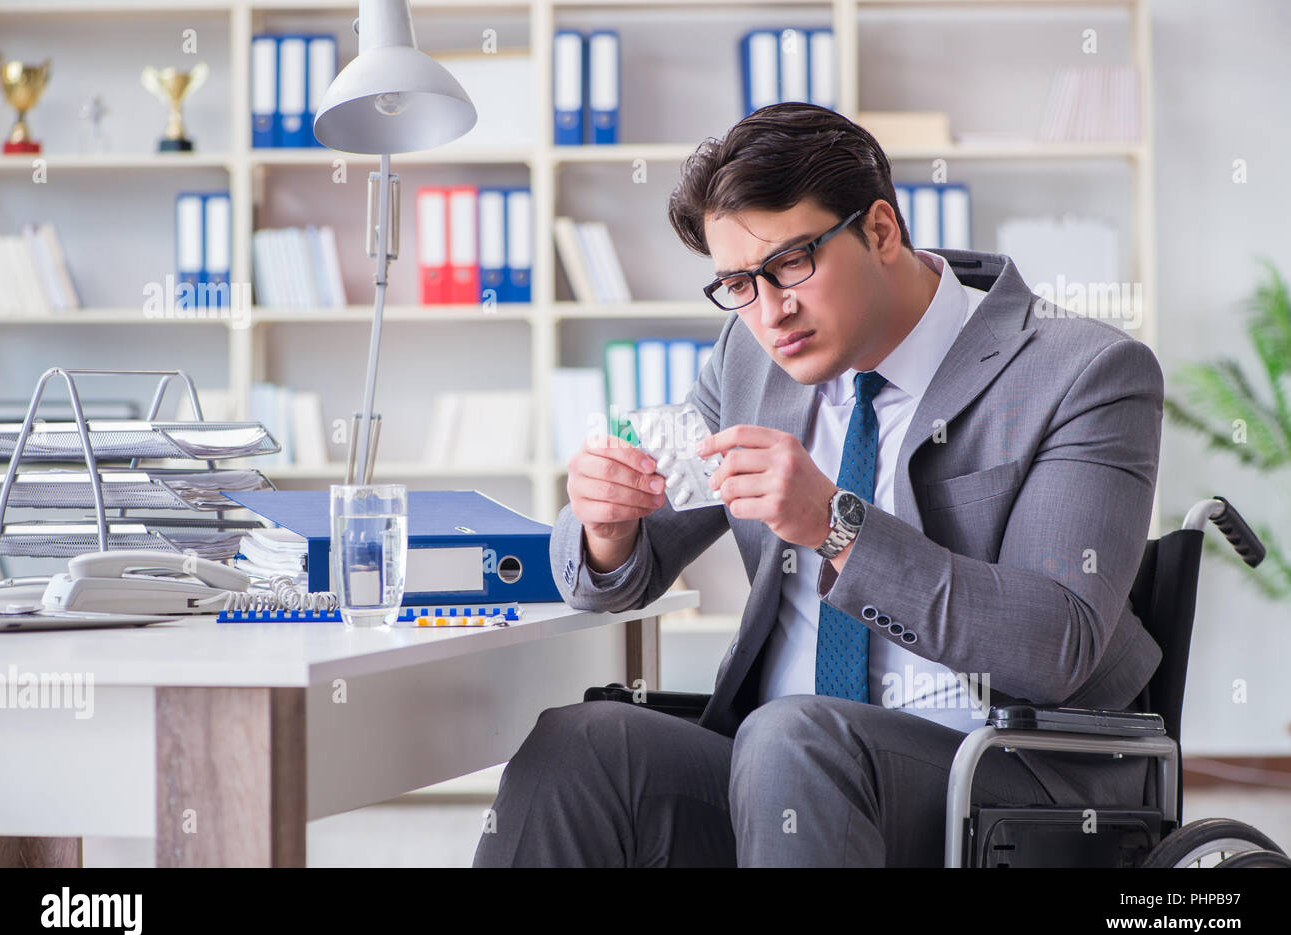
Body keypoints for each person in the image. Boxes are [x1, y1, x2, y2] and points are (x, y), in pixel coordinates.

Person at [473, 102, 1164, 867]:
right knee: (578, 745)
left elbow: (1056, 644)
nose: (771, 312)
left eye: (792, 263)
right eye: (739, 283)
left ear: (880, 230)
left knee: (794, 737)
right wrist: (606, 525)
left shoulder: (1081, 371)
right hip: (777, 773)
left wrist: (837, 524)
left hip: (995, 778)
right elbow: (621, 572)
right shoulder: (750, 356)